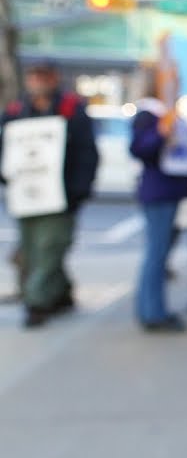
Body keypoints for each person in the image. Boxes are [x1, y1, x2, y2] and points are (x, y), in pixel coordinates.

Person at [0, 62, 99, 328]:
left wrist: (78, 191)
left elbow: (86, 154)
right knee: (34, 251)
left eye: (42, 77)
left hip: (60, 197)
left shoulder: (71, 110)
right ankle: (61, 295)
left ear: (54, 79)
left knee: (51, 248)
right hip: (27, 197)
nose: (37, 82)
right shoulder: (16, 111)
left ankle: (37, 303)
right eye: (33, 77)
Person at [129, 65, 187, 333]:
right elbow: (139, 149)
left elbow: (182, 153)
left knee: (159, 254)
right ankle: (153, 312)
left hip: (169, 192)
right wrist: (161, 133)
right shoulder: (150, 114)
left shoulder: (166, 114)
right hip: (158, 193)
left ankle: (151, 310)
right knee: (156, 255)